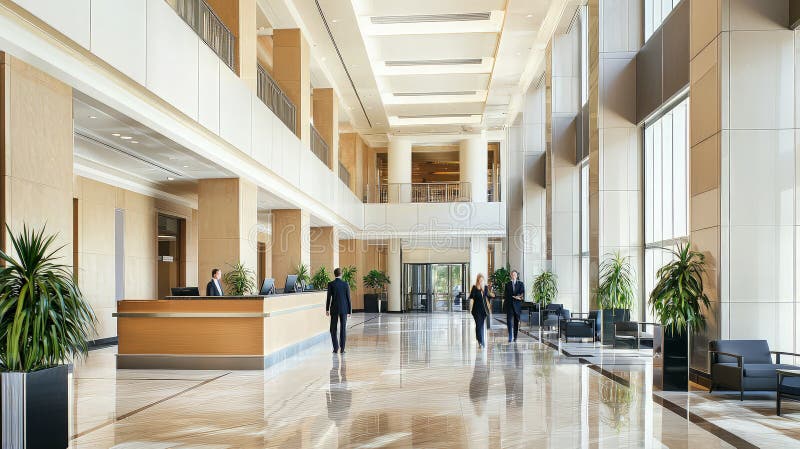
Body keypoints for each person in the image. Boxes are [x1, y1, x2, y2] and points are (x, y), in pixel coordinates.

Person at [326, 267, 352, 353]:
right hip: (344, 309)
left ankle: (335, 347)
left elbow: (328, 298)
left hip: (334, 309)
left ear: (334, 274)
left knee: (333, 329)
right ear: (341, 274)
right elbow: (348, 298)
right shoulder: (345, 284)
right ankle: (343, 349)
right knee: (343, 328)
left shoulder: (331, 284)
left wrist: (327, 309)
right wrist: (350, 311)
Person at [469, 273, 492, 348]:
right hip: (476, 310)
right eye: (480, 280)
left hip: (483, 310)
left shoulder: (485, 287)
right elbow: (472, 297)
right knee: (478, 325)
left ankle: (480, 340)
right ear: (478, 280)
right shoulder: (474, 288)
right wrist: (477, 291)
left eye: (482, 280)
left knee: (481, 325)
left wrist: (490, 293)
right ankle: (481, 341)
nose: (481, 281)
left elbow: (488, 296)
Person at [503, 270, 525, 342]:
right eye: (512, 274)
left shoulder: (521, 284)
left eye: (515, 274)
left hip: (517, 306)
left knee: (516, 322)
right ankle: (510, 336)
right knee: (509, 321)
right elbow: (505, 295)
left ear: (517, 275)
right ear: (511, 276)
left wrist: (518, 297)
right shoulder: (507, 284)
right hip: (509, 305)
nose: (514, 276)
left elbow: (522, 293)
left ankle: (515, 337)